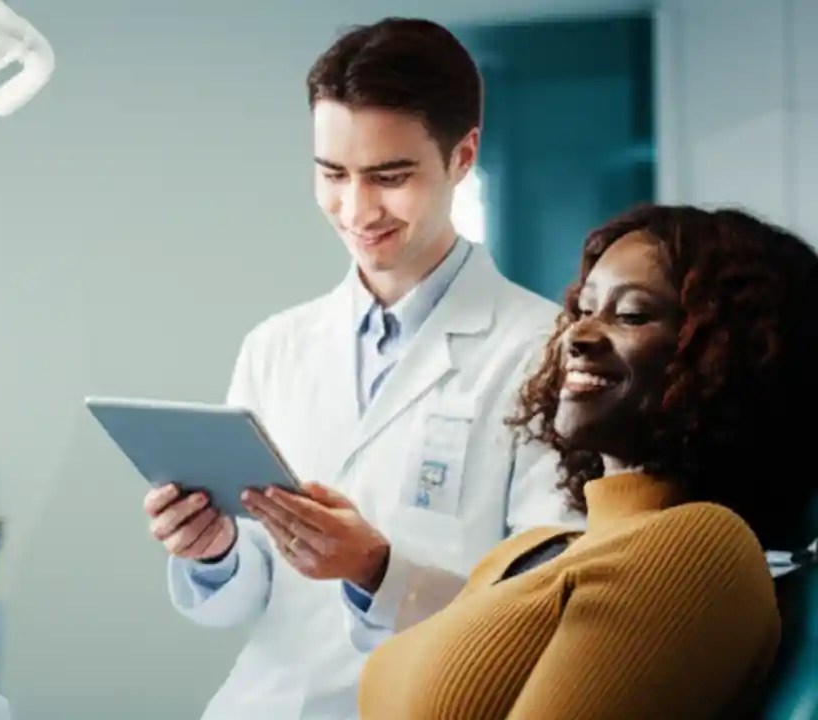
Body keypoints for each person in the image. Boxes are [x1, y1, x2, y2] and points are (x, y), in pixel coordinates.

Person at [141, 17, 581, 720]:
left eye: (390, 177)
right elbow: (247, 600)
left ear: (463, 157)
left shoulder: (546, 350)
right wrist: (215, 551)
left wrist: (377, 570)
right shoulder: (275, 347)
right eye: (332, 174)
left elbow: (544, 609)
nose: (356, 209)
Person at [356, 204, 818, 719]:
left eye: (631, 315)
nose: (577, 336)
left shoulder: (694, 545)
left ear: (733, 356)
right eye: (583, 309)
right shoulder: (539, 548)